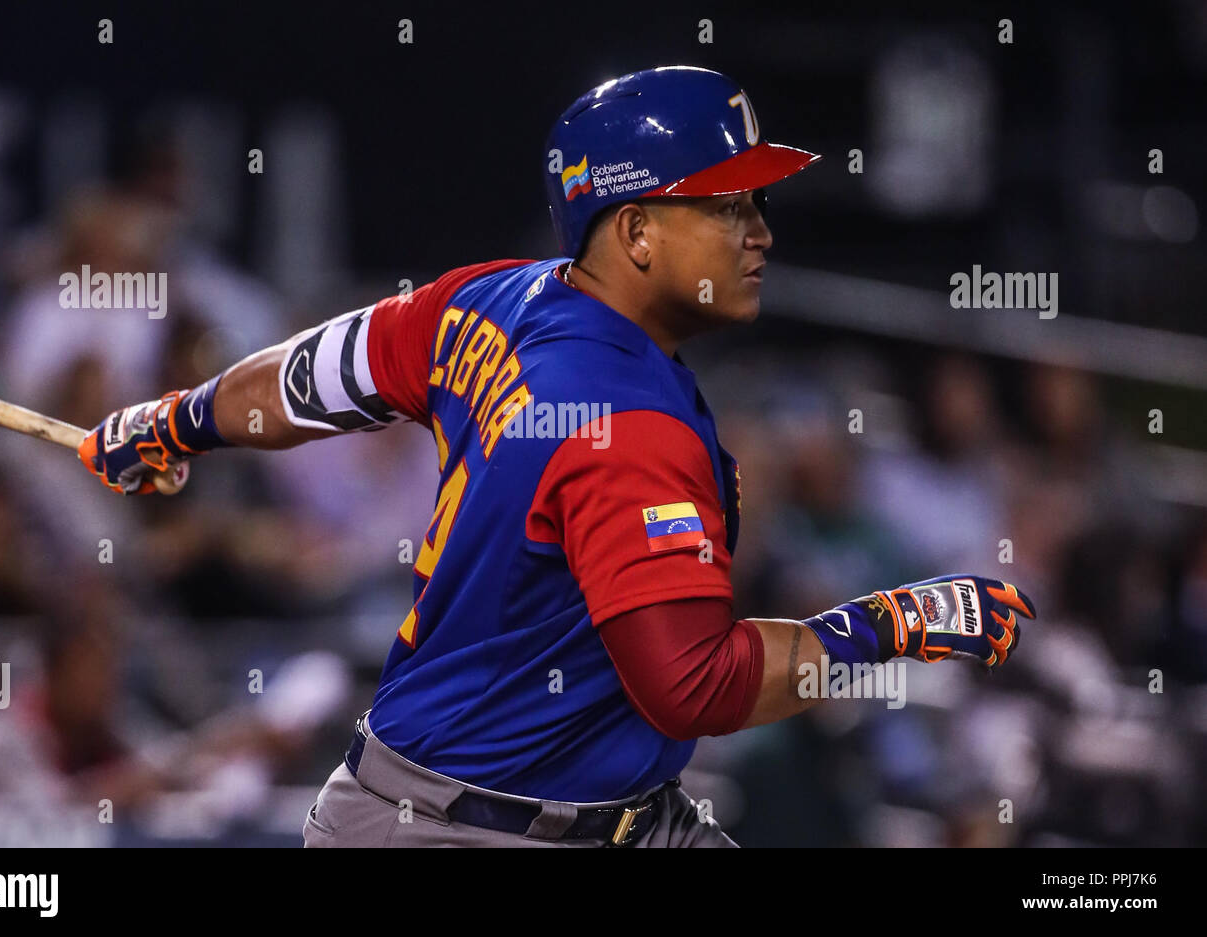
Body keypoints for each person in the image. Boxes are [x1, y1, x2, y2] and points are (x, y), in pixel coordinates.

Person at [76, 66, 1035, 847]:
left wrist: (174, 420)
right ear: (637, 232)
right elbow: (691, 684)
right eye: (726, 206)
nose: (760, 232)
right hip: (475, 832)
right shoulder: (624, 422)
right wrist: (890, 626)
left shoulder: (487, 299)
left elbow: (302, 379)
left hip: (577, 811)